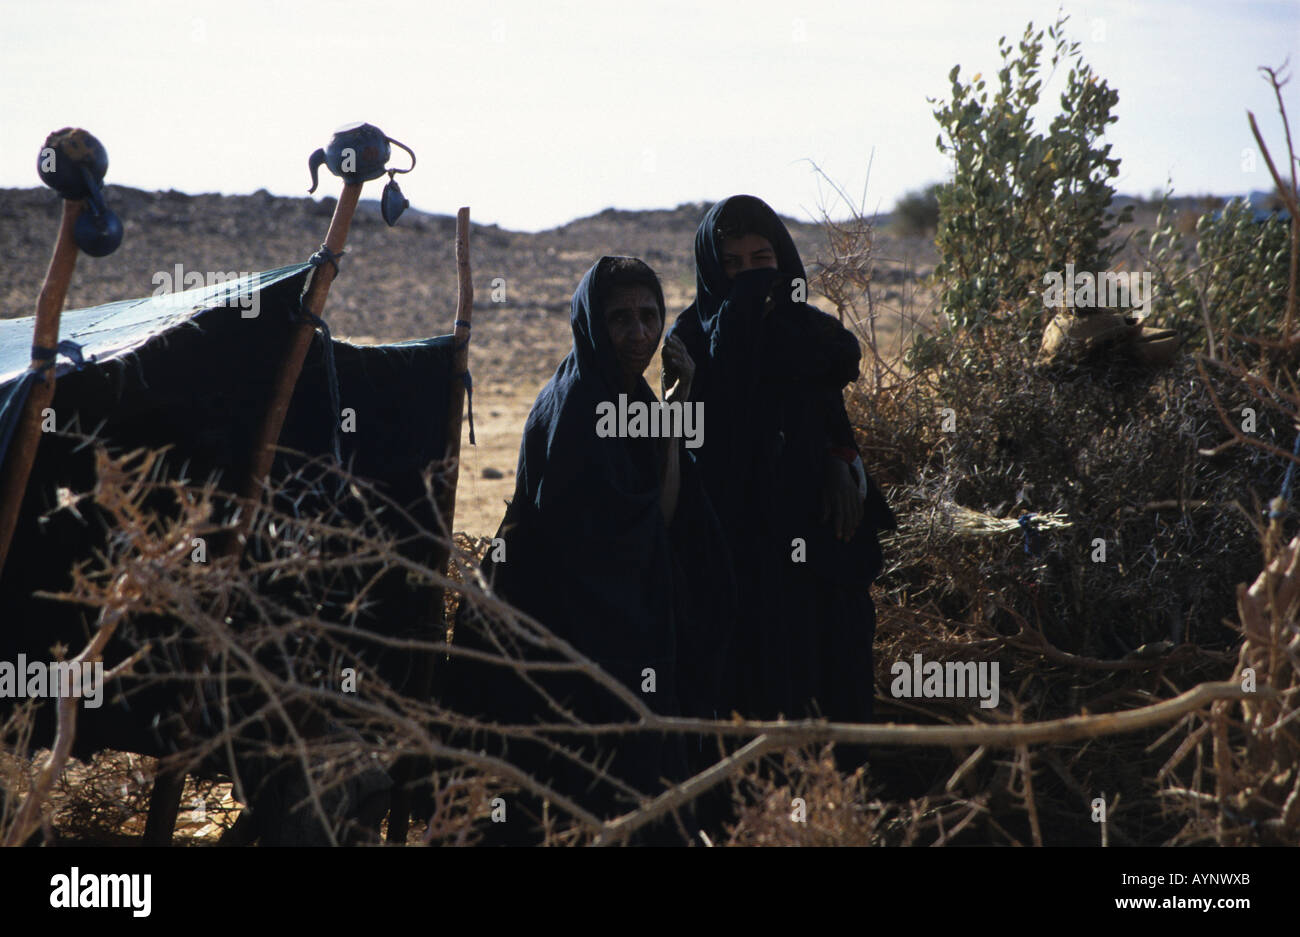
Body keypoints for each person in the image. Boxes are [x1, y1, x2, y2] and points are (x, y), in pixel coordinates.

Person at [440, 255, 734, 841]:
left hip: (618, 632)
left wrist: (675, 409)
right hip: (564, 635)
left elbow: (663, 516)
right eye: (621, 318)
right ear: (591, 323)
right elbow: (626, 531)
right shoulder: (578, 406)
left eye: (650, 317)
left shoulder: (632, 401)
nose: (639, 334)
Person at [665, 195, 897, 732]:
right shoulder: (690, 340)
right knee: (757, 693)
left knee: (835, 681)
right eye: (733, 265)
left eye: (761, 260)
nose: (749, 276)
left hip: (818, 538)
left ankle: (837, 809)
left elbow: (828, 414)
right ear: (711, 270)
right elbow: (702, 436)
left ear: (783, 260)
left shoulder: (809, 333)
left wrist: (841, 459)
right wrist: (741, 326)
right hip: (738, 548)